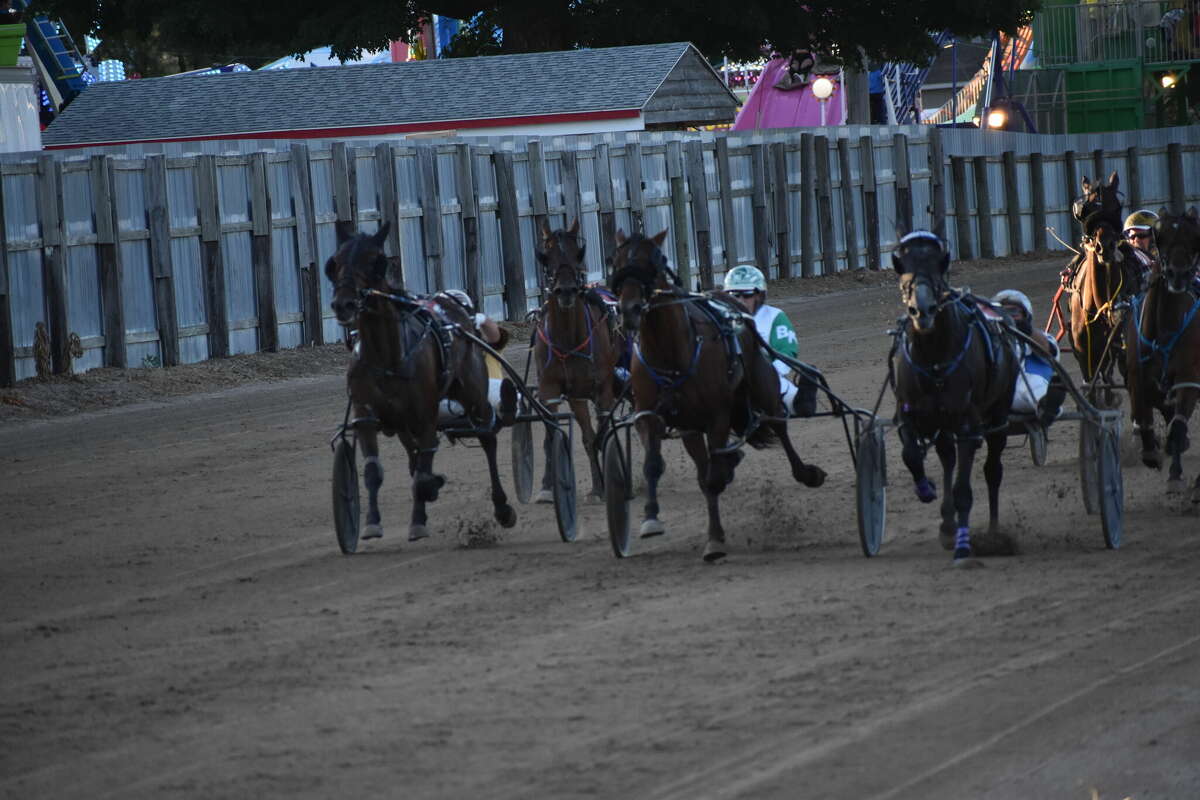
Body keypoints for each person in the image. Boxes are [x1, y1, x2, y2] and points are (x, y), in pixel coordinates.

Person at [723, 264, 817, 417]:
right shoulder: (720, 318)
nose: (740, 300)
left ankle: (802, 397)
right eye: (734, 295)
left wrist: (768, 376)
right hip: (729, 377)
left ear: (759, 295)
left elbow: (786, 351)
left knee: (798, 406)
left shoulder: (774, 316)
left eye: (747, 294)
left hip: (766, 376)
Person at [435, 289, 516, 425]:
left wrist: (483, 320)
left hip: (486, 391)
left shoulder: (483, 340)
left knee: (501, 393)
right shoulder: (439, 345)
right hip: (452, 398)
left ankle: (506, 408)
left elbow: (496, 337)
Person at [993, 289, 1065, 426]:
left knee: (1036, 384)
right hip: (994, 389)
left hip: (1023, 387)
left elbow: (1048, 350)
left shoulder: (1041, 337)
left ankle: (1047, 405)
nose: (1008, 316)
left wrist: (1025, 330)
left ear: (1026, 315)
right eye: (1002, 312)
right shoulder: (989, 339)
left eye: (1013, 312)